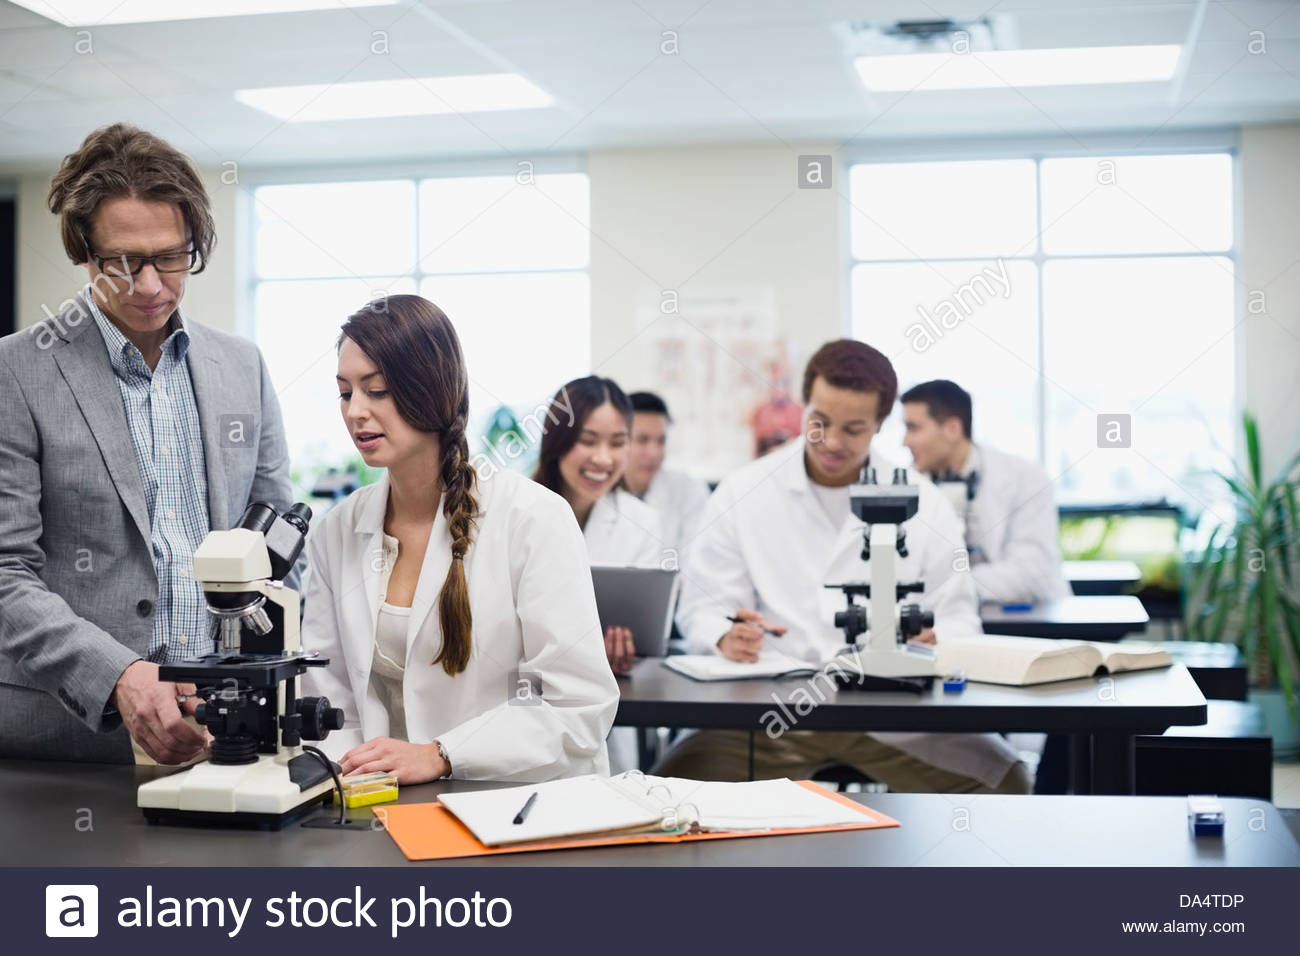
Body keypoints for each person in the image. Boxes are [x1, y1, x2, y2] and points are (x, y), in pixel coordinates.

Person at [0, 123, 294, 765]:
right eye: (123, 263)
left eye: (170, 257)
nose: (151, 286)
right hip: (69, 745)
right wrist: (118, 675)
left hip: (224, 733)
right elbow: (4, 573)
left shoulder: (241, 366)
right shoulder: (17, 371)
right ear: (84, 252)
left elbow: (275, 538)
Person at [656, 340, 1030, 793]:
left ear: (879, 425)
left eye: (853, 429)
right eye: (819, 422)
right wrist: (724, 632)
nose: (831, 442)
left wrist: (936, 641)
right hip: (770, 717)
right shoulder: (743, 492)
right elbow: (703, 605)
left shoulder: (924, 502)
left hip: (893, 719)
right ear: (804, 406)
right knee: (664, 794)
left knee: (1005, 783)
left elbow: (958, 619)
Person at [299, 296, 618, 784]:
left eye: (377, 390)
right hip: (383, 805)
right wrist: (351, 779)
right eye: (345, 393)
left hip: (515, 805)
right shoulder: (337, 529)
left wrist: (442, 753)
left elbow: (576, 705)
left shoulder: (533, 518)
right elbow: (327, 697)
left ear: (431, 391)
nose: (355, 411)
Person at [532, 376, 664, 677]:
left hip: (616, 697)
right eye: (588, 441)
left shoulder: (642, 522)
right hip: (528, 689)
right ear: (557, 442)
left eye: (617, 443)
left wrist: (623, 653)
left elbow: (644, 631)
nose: (603, 458)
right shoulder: (517, 512)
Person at [901, 380, 1069, 604]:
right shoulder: (907, 484)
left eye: (914, 428)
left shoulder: (1026, 478)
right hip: (945, 616)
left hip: (1029, 618)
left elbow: (1030, 573)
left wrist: (947, 586)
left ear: (952, 428)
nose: (905, 441)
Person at [624, 391, 711, 567]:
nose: (654, 453)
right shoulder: (599, 494)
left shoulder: (689, 490)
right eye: (642, 440)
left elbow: (696, 565)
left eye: (661, 441)